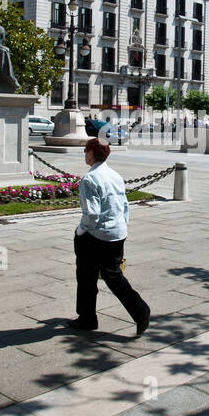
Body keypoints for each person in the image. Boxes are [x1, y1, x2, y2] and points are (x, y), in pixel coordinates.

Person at [70, 138, 151, 334]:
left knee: (86, 276)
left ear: (91, 153)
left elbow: (91, 213)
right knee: (113, 276)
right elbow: (124, 205)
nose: (84, 154)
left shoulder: (89, 179)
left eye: (85, 150)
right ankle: (139, 311)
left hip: (96, 235)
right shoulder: (115, 175)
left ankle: (87, 317)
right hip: (117, 232)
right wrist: (122, 225)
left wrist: (80, 231)